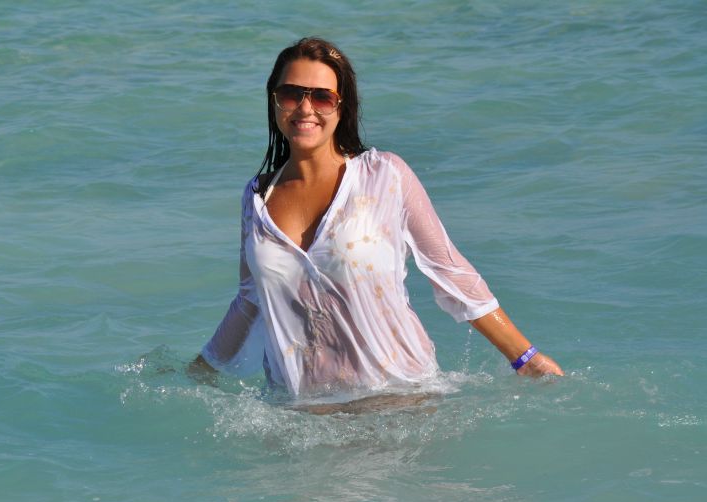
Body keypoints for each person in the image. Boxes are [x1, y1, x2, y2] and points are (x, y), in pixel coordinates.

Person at [191, 37, 563, 400]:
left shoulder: (384, 175)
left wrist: (525, 358)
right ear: (274, 102)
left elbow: (450, 270)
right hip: (301, 411)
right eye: (291, 94)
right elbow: (250, 300)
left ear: (342, 107)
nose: (305, 108)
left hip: (399, 398)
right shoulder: (258, 196)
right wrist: (198, 372)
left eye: (322, 97)